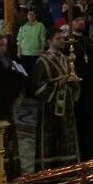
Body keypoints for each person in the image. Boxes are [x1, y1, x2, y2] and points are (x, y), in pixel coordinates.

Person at [30, 28, 80, 171]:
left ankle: (68, 171)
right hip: (50, 110)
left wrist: (73, 84)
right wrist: (58, 84)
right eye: (58, 38)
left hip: (66, 107)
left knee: (66, 138)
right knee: (51, 140)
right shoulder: (42, 62)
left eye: (63, 38)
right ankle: (49, 172)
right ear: (49, 41)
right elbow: (37, 88)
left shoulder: (67, 59)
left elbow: (74, 83)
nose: (62, 41)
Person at [69, 12, 93, 161]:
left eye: (82, 19)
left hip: (92, 88)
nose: (80, 22)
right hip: (79, 90)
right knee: (82, 121)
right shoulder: (68, 43)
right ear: (71, 24)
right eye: (77, 20)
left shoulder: (88, 41)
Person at [16, 8, 46, 75]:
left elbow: (43, 40)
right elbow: (19, 40)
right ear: (27, 15)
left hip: (36, 54)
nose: (31, 15)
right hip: (24, 54)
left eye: (33, 14)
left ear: (35, 15)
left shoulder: (40, 26)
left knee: (35, 73)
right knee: (25, 73)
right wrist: (18, 51)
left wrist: (42, 51)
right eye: (29, 14)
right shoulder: (23, 27)